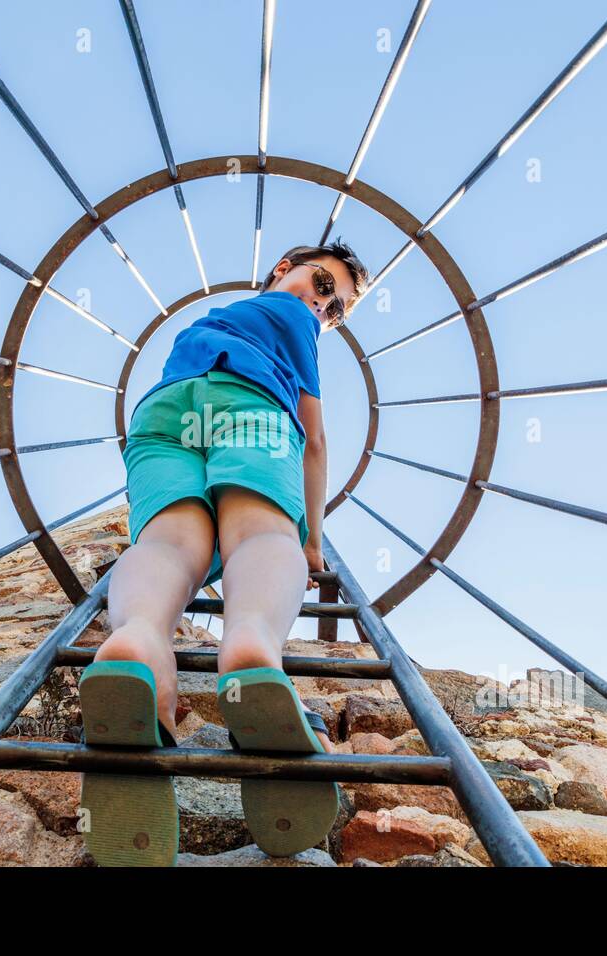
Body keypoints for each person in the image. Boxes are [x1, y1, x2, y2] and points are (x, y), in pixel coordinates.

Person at [77, 241, 370, 866]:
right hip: (251, 404)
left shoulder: (209, 321)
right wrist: (310, 540)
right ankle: (252, 646)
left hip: (165, 417)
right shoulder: (292, 318)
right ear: (283, 269)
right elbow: (315, 438)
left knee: (166, 543)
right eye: (322, 284)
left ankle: (137, 642)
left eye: (336, 308)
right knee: (263, 536)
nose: (322, 306)